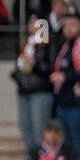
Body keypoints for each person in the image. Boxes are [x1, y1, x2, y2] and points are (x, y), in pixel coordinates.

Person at [51, 7, 80, 157]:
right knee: (67, 148)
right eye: (66, 25)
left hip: (79, 105)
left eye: (73, 24)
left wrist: (65, 77)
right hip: (63, 103)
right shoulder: (64, 47)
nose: (68, 28)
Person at [13, 18, 56, 152]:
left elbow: (49, 69)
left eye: (36, 23)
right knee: (26, 129)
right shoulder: (26, 43)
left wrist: (35, 63)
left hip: (40, 91)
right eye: (30, 23)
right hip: (24, 91)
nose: (31, 26)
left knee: (40, 130)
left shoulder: (48, 45)